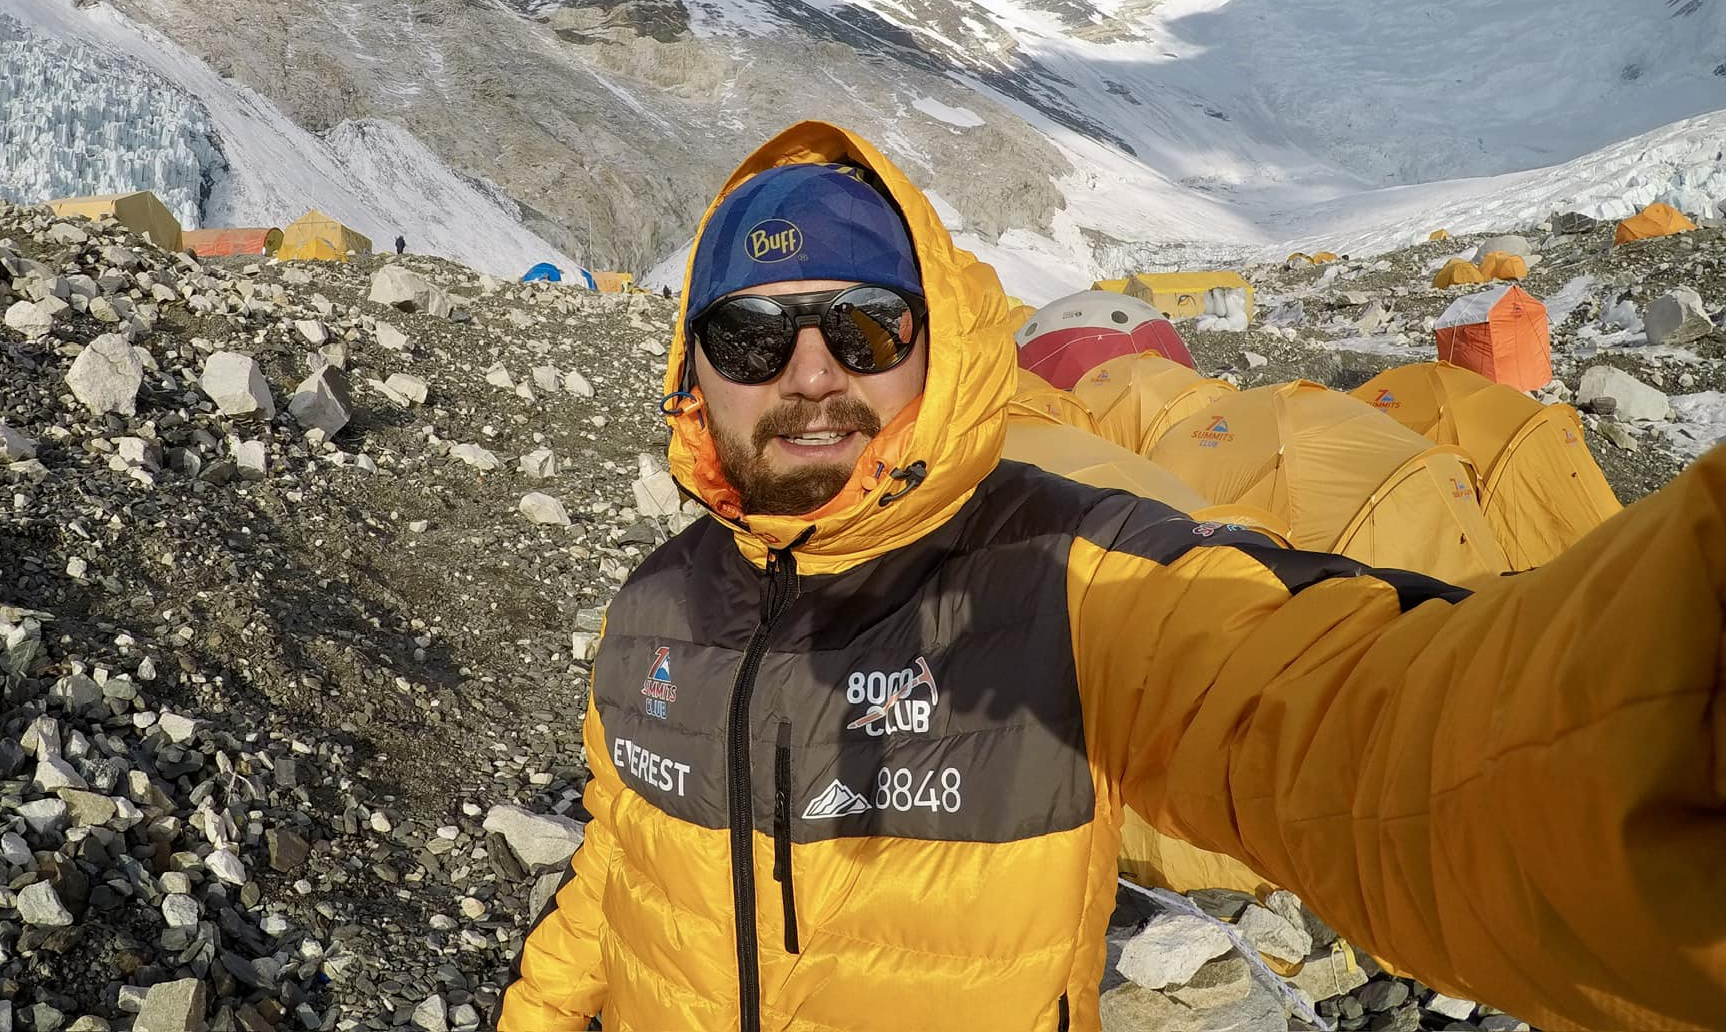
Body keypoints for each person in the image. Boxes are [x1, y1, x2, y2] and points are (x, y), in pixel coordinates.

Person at [501, 121, 1726, 1032]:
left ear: (938, 347)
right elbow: (619, 877)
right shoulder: (652, 610)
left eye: (865, 327)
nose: (810, 373)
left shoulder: (1068, 576)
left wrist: (1677, 690)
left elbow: (1375, 735)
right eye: (751, 336)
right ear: (693, 371)